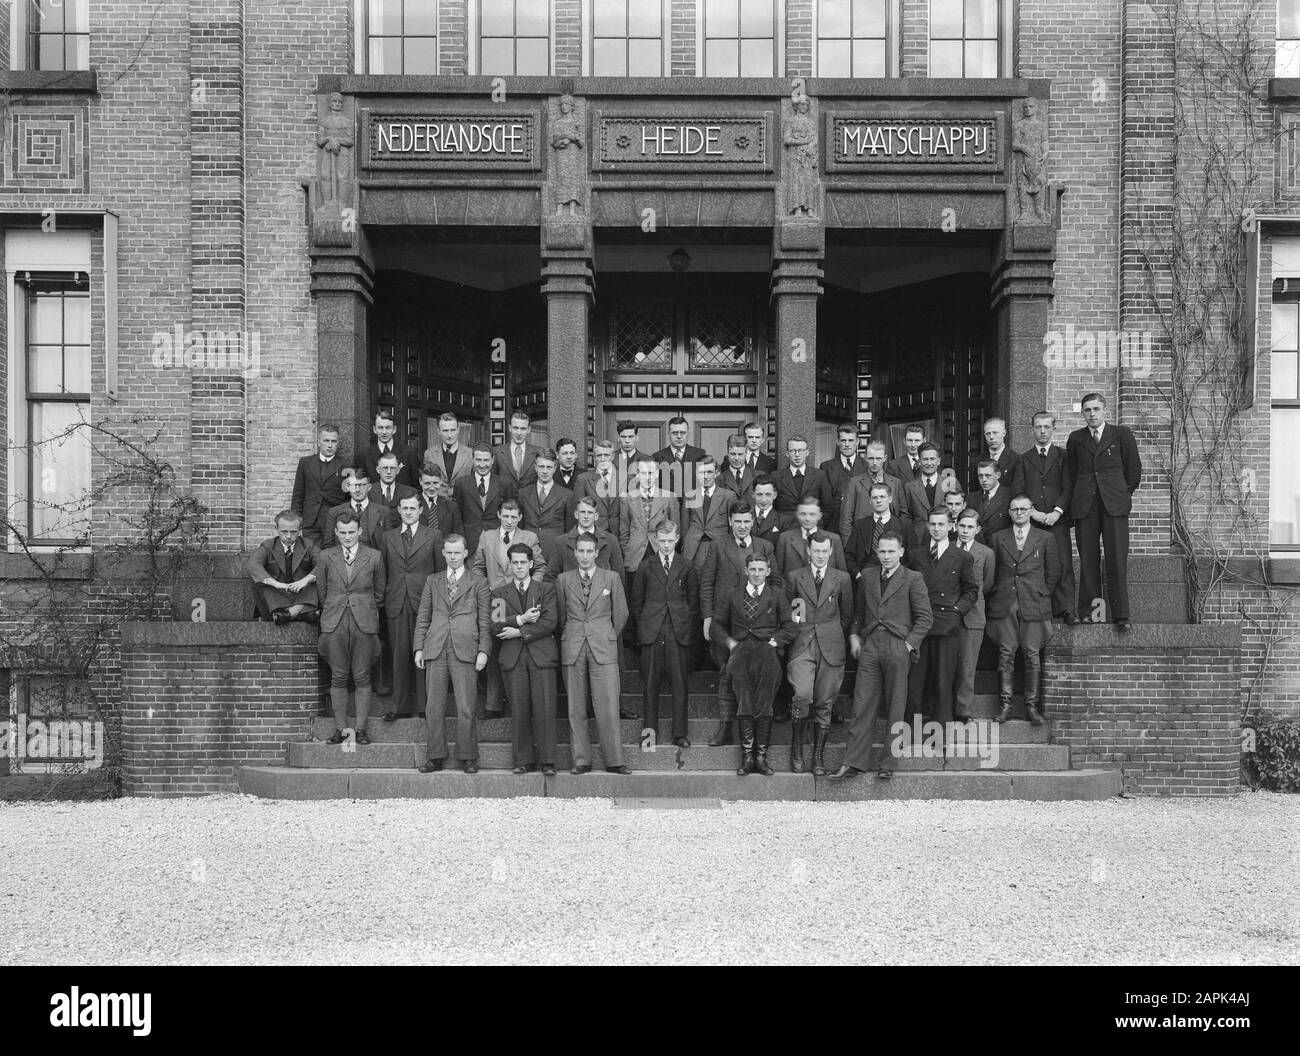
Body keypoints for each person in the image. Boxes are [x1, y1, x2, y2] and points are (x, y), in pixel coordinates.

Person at [829, 531, 932, 781]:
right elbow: (860, 611)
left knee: (897, 704)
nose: (886, 556)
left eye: (890, 551)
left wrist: (908, 645)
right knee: (862, 702)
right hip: (871, 644)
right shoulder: (868, 575)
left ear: (901, 552)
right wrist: (854, 634)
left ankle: (889, 763)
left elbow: (925, 618)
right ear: (877, 553)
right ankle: (853, 761)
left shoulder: (913, 578)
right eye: (882, 551)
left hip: (898, 644)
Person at [711, 553, 796, 776]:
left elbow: (790, 625)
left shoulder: (776, 594)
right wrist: (730, 644)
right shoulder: (732, 594)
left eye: (761, 570)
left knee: (764, 705)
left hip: (767, 653)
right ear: (746, 571)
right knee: (745, 703)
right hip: (741, 654)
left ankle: (761, 757)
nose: (757, 574)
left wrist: (775, 641)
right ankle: (747, 758)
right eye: (753, 569)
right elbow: (716, 626)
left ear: (768, 571)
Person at [414, 534, 490, 773]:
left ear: (466, 553)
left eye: (458, 552)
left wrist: (484, 650)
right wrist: (419, 647)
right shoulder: (432, 581)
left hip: (466, 648)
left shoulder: (479, 582)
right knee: (433, 707)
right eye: (449, 552)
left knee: (466, 706)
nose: (453, 556)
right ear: (443, 553)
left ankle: (467, 756)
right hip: (436, 647)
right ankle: (435, 756)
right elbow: (424, 615)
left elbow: (485, 621)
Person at [1065, 392, 1142, 628]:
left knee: (1116, 559)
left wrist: (1121, 494)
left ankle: (1121, 615)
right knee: (1088, 561)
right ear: (1083, 413)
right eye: (1087, 410)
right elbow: (1072, 472)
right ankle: (1090, 612)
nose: (1092, 414)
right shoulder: (1076, 438)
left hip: (1113, 506)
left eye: (1096, 409)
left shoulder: (1121, 434)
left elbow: (1134, 470)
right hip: (1086, 507)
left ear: (1104, 410)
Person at [557, 534, 630, 775]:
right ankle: (581, 760)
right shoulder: (563, 579)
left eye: (590, 551)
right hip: (574, 645)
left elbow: (621, 613)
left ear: (597, 553)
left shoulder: (612, 577)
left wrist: (607, 634)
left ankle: (615, 760)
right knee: (575, 706)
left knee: (608, 704)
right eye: (581, 551)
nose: (585, 556)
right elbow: (559, 615)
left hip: (603, 645)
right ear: (575, 553)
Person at [986, 496, 1061, 724]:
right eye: (1015, 509)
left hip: (1034, 601)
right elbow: (992, 571)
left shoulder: (1045, 538)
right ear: (1009, 512)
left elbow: (1054, 571)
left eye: (1023, 509)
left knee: (1032, 653)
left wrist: (1041, 592)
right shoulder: (997, 538)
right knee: (1006, 653)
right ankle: (1005, 705)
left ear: (1031, 511)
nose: (1019, 512)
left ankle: (1031, 706)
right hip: (1005, 602)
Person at [783, 533, 853, 775]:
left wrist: (831, 634)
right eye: (816, 551)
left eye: (825, 551)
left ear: (830, 552)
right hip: (803, 643)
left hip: (831, 645)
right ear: (809, 552)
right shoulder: (795, 577)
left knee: (825, 701)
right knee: (802, 694)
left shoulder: (841, 578)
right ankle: (796, 747)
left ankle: (818, 756)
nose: (821, 555)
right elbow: (793, 615)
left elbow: (846, 615)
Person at [316, 513, 385, 747]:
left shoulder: (374, 557)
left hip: (363, 621)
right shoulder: (326, 556)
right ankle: (340, 729)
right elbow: (322, 591)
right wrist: (334, 608)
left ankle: (360, 729)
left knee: (362, 675)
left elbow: (379, 592)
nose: (347, 536)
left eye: (351, 532)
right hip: (334, 621)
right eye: (342, 532)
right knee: (338, 675)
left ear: (360, 532)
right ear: (336, 532)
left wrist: (364, 608)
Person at [905, 508, 978, 725]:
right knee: (915, 683)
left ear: (950, 527)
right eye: (933, 524)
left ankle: (940, 733)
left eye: (941, 524)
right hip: (919, 625)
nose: (936, 529)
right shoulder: (916, 555)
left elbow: (971, 590)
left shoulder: (963, 557)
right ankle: (910, 730)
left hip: (947, 626)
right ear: (928, 526)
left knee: (943, 683)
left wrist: (956, 611)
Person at [471, 499, 544, 717]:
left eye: (514, 517)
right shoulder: (486, 536)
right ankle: (494, 703)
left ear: (520, 517)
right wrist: (486, 590)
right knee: (496, 641)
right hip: (497, 599)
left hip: (521, 596)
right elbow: (477, 567)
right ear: (498, 515)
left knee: (518, 645)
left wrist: (531, 588)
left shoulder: (529, 537)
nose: (510, 521)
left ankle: (519, 703)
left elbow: (540, 565)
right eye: (506, 516)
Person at [630, 520, 700, 749]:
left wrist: (684, 624)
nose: (667, 545)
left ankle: (680, 733)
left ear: (677, 539)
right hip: (652, 631)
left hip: (677, 631)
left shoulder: (687, 566)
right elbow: (637, 601)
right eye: (662, 540)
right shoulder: (646, 565)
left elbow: (693, 602)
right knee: (650, 684)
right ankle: (650, 733)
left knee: (680, 684)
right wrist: (644, 628)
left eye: (670, 540)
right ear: (656, 540)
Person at [491, 543, 560, 776]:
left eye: (523, 562)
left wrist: (518, 632)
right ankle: (523, 760)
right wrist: (520, 620)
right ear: (510, 565)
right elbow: (496, 625)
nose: (519, 567)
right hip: (513, 658)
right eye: (515, 562)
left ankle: (548, 761)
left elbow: (550, 622)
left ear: (531, 564)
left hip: (541, 656)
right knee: (519, 710)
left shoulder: (546, 589)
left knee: (546, 709)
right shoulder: (499, 592)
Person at [380, 495, 444, 722]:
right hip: (396, 600)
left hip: (425, 601)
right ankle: (401, 706)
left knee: (424, 653)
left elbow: (439, 572)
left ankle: (426, 706)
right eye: (404, 507)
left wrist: (438, 602)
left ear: (420, 510)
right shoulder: (388, 537)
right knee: (399, 654)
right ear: (398, 509)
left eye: (412, 508)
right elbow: (383, 571)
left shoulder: (434, 535)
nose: (408, 512)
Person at [1021, 411, 1077, 623]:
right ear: (1032, 429)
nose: (1042, 431)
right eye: (1038, 427)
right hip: (1034, 521)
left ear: (1053, 428)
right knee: (1036, 563)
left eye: (1046, 427)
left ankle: (1066, 609)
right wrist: (1033, 512)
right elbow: (1020, 488)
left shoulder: (1063, 456)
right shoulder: (1024, 459)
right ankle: (1041, 609)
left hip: (1057, 520)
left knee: (1063, 562)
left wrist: (1057, 511)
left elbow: (1068, 486)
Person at [951, 507, 994, 722]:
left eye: (970, 527)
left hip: (974, 615)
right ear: (955, 526)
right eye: (962, 526)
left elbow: (987, 584)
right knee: (947, 663)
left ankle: (963, 709)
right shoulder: (947, 548)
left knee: (968, 665)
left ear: (977, 529)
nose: (965, 531)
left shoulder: (986, 553)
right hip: (949, 614)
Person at [246, 510, 320, 624]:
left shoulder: (308, 545)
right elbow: (252, 564)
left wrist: (306, 580)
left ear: (300, 530)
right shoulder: (268, 546)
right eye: (284, 532)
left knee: (317, 579)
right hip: (276, 598)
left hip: (302, 594)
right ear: (276, 528)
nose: (289, 536)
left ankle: (288, 614)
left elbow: (324, 563)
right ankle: (302, 612)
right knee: (261, 581)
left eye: (294, 532)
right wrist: (276, 584)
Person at [617, 456, 680, 576]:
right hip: (635, 555)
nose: (647, 477)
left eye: (650, 473)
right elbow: (624, 531)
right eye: (643, 473)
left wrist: (668, 551)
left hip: (661, 552)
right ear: (638, 474)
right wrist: (629, 550)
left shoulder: (669, 497)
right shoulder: (627, 498)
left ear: (656, 474)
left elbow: (676, 529)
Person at [290, 423, 349, 545]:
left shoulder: (345, 465)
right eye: (326, 441)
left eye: (334, 441)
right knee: (311, 557)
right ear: (318, 442)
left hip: (334, 521)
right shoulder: (305, 463)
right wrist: (295, 523)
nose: (330, 445)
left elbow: (348, 497)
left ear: (338, 443)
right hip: (309, 522)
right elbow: (298, 495)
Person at [453, 441, 515, 552]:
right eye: (478, 460)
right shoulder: (461, 483)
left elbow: (511, 513)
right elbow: (457, 516)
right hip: (470, 543)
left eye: (486, 460)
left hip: (498, 542)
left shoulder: (504, 483)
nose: (482, 465)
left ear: (493, 460)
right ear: (472, 459)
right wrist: (461, 541)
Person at [517, 448, 576, 560]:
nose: (545, 471)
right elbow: (519, 526)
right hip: (527, 550)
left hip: (555, 551)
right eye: (541, 467)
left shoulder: (567, 495)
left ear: (555, 468)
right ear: (535, 467)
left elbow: (570, 530)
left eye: (549, 467)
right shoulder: (523, 493)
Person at [844, 482, 910, 580]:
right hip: (865, 578)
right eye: (874, 497)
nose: (878, 500)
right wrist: (858, 574)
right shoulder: (860, 525)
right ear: (870, 501)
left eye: (882, 497)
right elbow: (849, 555)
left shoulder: (904, 525)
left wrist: (901, 577)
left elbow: (911, 556)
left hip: (896, 579)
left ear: (890, 499)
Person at [838, 440, 905, 537]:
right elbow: (845, 518)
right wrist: (849, 546)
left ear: (885, 458)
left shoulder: (895, 482)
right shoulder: (854, 482)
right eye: (871, 458)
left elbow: (903, 514)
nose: (874, 463)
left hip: (891, 538)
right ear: (865, 458)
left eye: (878, 458)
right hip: (862, 539)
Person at [547, 496, 625, 579]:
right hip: (570, 590)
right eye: (582, 512)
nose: (586, 516)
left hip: (602, 590)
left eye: (590, 512)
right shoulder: (561, 542)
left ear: (596, 516)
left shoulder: (610, 541)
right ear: (576, 515)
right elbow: (551, 576)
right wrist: (562, 591)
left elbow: (619, 577)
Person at [681, 455, 735, 567]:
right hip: (694, 548)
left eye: (709, 472)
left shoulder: (728, 496)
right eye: (701, 472)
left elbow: (732, 527)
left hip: (719, 545)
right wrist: (686, 545)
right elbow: (685, 526)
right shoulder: (690, 495)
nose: (705, 476)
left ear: (716, 473)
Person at [771, 435, 833, 528]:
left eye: (800, 450)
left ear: (807, 452)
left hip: (813, 529)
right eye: (793, 451)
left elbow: (827, 507)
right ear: (787, 453)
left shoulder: (820, 475)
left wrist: (820, 525)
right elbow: (773, 507)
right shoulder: (776, 476)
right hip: (785, 529)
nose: (797, 454)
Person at [819, 423, 869, 537]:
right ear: (837, 442)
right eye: (843, 440)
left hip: (860, 523)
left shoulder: (866, 465)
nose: (847, 444)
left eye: (851, 440)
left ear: (857, 442)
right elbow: (825, 500)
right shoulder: (826, 467)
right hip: (833, 525)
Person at [776, 496, 847, 575]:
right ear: (797, 515)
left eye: (812, 514)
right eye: (803, 514)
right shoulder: (785, 538)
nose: (807, 519)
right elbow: (778, 573)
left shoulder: (834, 539)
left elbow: (842, 575)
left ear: (819, 516)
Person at [323, 466, 387, 549]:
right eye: (354, 485)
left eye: (362, 485)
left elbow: (388, 546)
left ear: (369, 487)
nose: (357, 489)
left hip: (374, 560)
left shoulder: (384, 512)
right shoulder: (335, 512)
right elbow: (329, 546)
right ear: (348, 487)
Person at [364, 408, 421, 489]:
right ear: (374, 429)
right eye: (380, 427)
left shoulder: (409, 453)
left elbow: (417, 485)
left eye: (388, 427)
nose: (384, 432)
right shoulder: (364, 454)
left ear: (394, 429)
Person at [573, 439, 620, 531]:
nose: (602, 459)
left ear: (613, 456)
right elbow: (580, 510)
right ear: (594, 457)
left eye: (606, 455)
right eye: (599, 455)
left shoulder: (624, 478)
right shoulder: (583, 479)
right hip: (594, 532)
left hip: (618, 533)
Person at [493, 410, 542, 491]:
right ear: (510, 428)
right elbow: (492, 482)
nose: (519, 433)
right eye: (515, 428)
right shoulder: (497, 452)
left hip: (530, 502)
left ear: (529, 429)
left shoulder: (539, 452)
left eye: (523, 428)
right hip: (505, 502)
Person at [901, 442, 948, 524]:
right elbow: (906, 516)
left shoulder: (949, 484)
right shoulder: (909, 487)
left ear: (939, 461)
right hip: (917, 535)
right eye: (925, 459)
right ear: (919, 461)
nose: (929, 463)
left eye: (932, 459)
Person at [369, 449, 417, 525]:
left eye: (392, 468)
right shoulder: (368, 492)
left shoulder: (410, 492)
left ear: (397, 470)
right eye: (385, 468)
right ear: (378, 470)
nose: (388, 472)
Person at [980, 416, 1024, 497]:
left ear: (1004, 433)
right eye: (988, 434)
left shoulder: (1016, 459)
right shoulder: (978, 460)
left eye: (995, 433)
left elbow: (1017, 489)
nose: (991, 437)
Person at [425, 411, 473, 487]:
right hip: (438, 498)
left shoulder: (470, 454)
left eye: (453, 430)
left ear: (458, 430)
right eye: (445, 430)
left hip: (463, 498)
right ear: (438, 431)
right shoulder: (429, 454)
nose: (449, 435)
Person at [969, 459, 1012, 541]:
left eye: (988, 475)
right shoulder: (971, 498)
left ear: (998, 475)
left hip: (1001, 547)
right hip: (977, 548)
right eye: (980, 476)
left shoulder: (1010, 496)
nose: (984, 480)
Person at [416, 464, 463, 537]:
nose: (431, 488)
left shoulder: (451, 506)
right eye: (427, 483)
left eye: (435, 483)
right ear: (420, 481)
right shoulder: (412, 504)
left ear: (441, 481)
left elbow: (458, 535)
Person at [613, 421, 653, 495]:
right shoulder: (610, 459)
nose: (627, 441)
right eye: (623, 437)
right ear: (618, 438)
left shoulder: (648, 459)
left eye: (630, 437)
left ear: (637, 438)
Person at [717, 434, 756, 500]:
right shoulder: (719, 480)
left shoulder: (757, 476)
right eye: (733, 454)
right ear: (728, 453)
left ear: (746, 453)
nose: (736, 458)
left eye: (740, 454)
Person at [748, 479, 784, 547]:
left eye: (768, 494)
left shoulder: (782, 520)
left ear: (775, 495)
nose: (763, 499)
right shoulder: (745, 516)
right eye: (759, 494)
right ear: (753, 494)